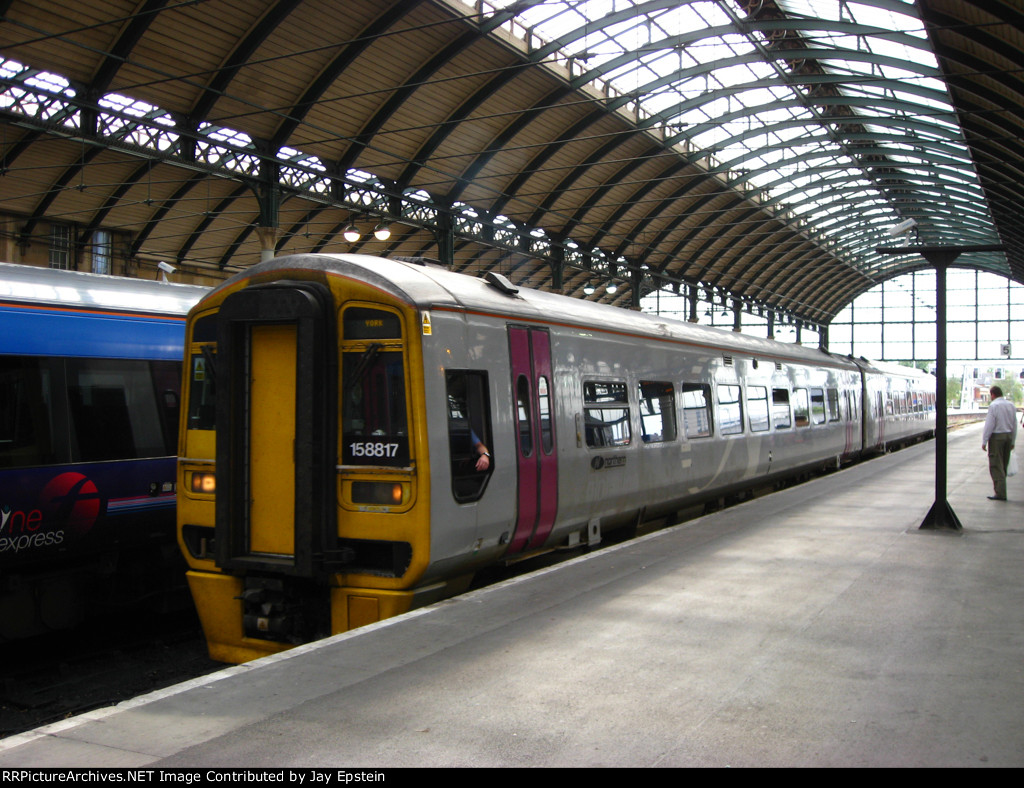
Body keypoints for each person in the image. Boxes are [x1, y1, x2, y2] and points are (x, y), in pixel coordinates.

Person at [981, 385, 1017, 500]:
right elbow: (1015, 424)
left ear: (992, 394)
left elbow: (989, 425)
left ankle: (1000, 493)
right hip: (1008, 437)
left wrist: (984, 440)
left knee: (996, 465)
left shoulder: (994, 406)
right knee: (1004, 465)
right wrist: (1013, 440)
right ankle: (1000, 490)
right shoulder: (1011, 405)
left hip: (997, 438)